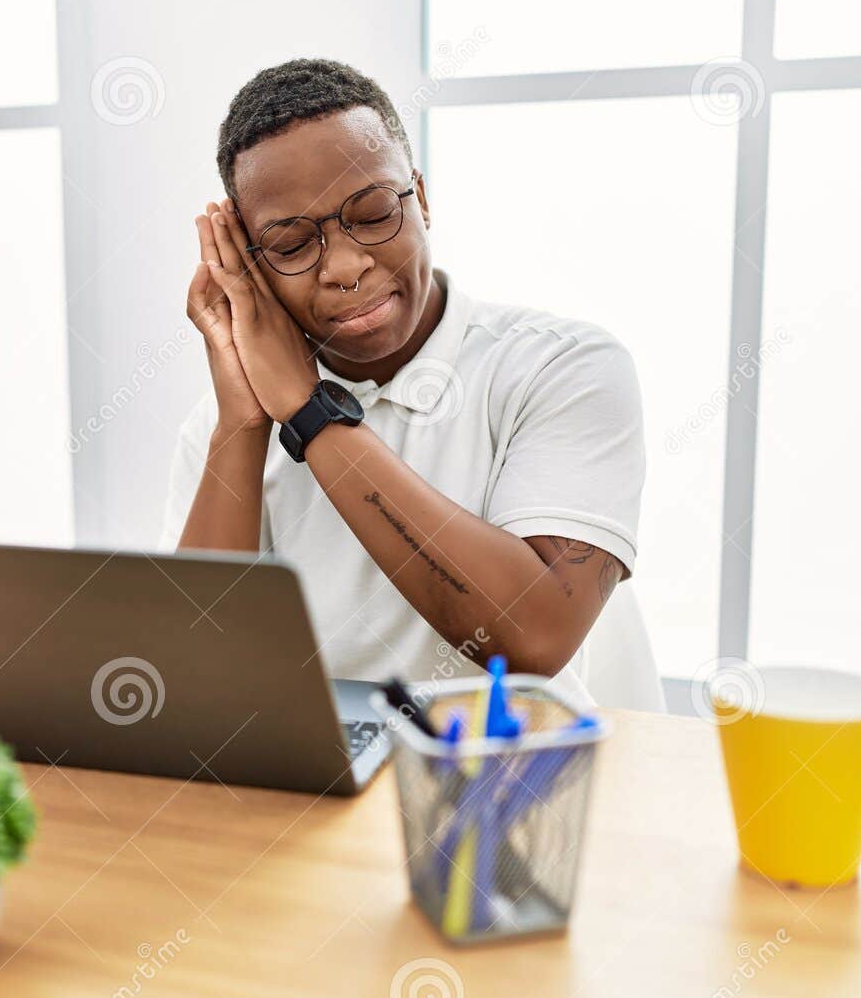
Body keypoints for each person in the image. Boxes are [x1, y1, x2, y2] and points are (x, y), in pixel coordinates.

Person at [159, 59, 645, 705]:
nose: (347, 266)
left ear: (421, 197)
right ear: (249, 266)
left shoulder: (565, 367)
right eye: (292, 244)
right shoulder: (226, 427)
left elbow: (533, 636)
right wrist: (246, 425)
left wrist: (309, 411)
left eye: (373, 212)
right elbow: (193, 682)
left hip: (512, 785)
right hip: (323, 792)